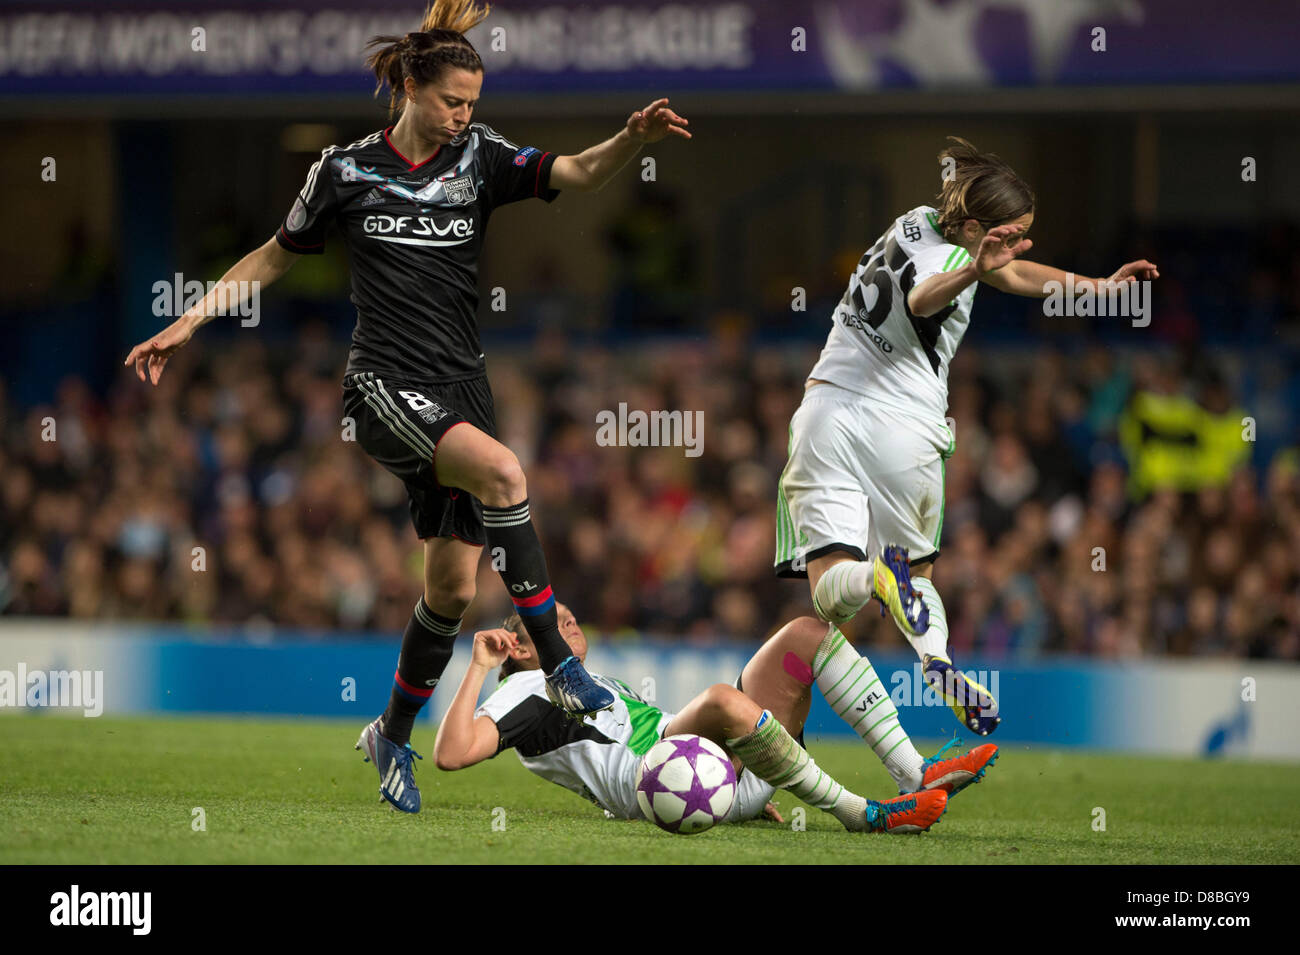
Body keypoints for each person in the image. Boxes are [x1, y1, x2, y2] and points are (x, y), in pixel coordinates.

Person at [122, 0, 692, 813]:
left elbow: (575, 172)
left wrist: (630, 138)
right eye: (455, 101)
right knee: (503, 470)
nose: (467, 115)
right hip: (382, 384)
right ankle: (563, 668)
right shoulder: (343, 172)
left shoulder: (481, 156)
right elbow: (272, 259)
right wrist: (187, 321)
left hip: (463, 389)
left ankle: (391, 732)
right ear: (413, 87)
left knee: (453, 591)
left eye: (474, 103)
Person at [774, 136, 1159, 737]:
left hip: (825, 411)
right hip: (902, 428)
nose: (1012, 246)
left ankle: (877, 581)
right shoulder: (953, 264)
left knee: (828, 595)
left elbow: (1012, 273)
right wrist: (973, 271)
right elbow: (926, 295)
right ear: (976, 227)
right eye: (1006, 235)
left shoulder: (915, 224)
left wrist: (1096, 286)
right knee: (916, 577)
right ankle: (937, 661)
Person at [434, 603, 1000, 834]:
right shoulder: (527, 688)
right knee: (721, 699)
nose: (571, 625)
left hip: (706, 776)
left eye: (571, 617)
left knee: (806, 636)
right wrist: (482, 664)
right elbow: (452, 754)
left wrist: (726, 782)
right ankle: (864, 814)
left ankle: (913, 772)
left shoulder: (589, 682)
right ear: (522, 647)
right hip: (656, 783)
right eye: (554, 623)